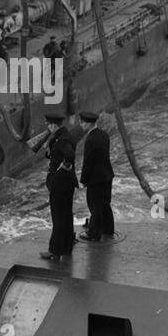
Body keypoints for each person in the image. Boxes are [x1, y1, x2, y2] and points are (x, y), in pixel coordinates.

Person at [40, 112, 77, 260]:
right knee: (66, 216)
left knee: (58, 218)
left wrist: (62, 169)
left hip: (60, 184)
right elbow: (60, 154)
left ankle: (54, 251)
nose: (48, 127)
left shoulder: (62, 140)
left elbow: (69, 155)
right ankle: (66, 247)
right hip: (67, 184)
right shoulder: (64, 135)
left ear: (53, 125)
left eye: (48, 125)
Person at [78, 110, 115, 241]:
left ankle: (94, 234)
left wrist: (83, 180)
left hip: (96, 179)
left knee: (95, 206)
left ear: (88, 124)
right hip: (107, 175)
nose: (80, 124)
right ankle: (109, 229)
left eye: (82, 122)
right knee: (105, 203)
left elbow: (88, 162)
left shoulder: (90, 139)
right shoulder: (104, 135)